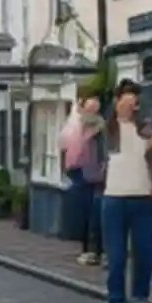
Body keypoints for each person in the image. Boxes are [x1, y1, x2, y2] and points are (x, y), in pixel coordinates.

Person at [99, 79, 152, 303]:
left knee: (145, 253)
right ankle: (115, 302)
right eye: (125, 99)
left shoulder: (145, 129)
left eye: (134, 100)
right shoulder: (109, 129)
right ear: (117, 102)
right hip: (114, 198)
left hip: (141, 197)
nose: (130, 105)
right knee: (116, 256)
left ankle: (140, 302)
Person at [59, 90, 106, 266]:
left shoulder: (101, 125)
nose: (95, 104)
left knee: (96, 213)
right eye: (91, 100)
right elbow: (65, 145)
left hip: (98, 174)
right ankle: (88, 248)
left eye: (97, 100)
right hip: (81, 173)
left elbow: (104, 149)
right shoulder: (75, 124)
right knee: (85, 213)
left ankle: (96, 250)